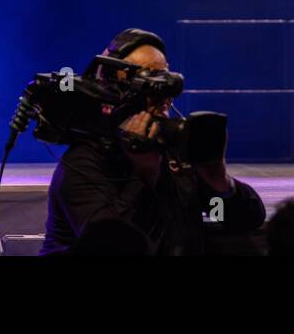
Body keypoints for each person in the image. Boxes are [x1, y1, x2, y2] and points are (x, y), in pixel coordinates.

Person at [39, 29, 266, 255]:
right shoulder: (82, 165)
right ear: (115, 89)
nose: (163, 96)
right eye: (149, 81)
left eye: (164, 79)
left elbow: (245, 220)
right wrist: (144, 174)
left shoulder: (173, 151)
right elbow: (115, 247)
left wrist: (220, 183)